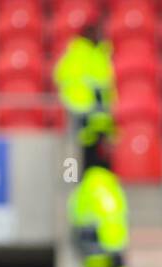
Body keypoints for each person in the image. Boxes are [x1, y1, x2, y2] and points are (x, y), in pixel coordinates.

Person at [52, 18, 115, 168]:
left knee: (97, 153)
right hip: (79, 110)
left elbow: (106, 83)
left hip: (99, 112)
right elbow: (61, 77)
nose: (98, 36)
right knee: (75, 151)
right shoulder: (76, 53)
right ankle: (72, 182)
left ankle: (93, 184)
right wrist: (73, 97)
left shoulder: (101, 54)